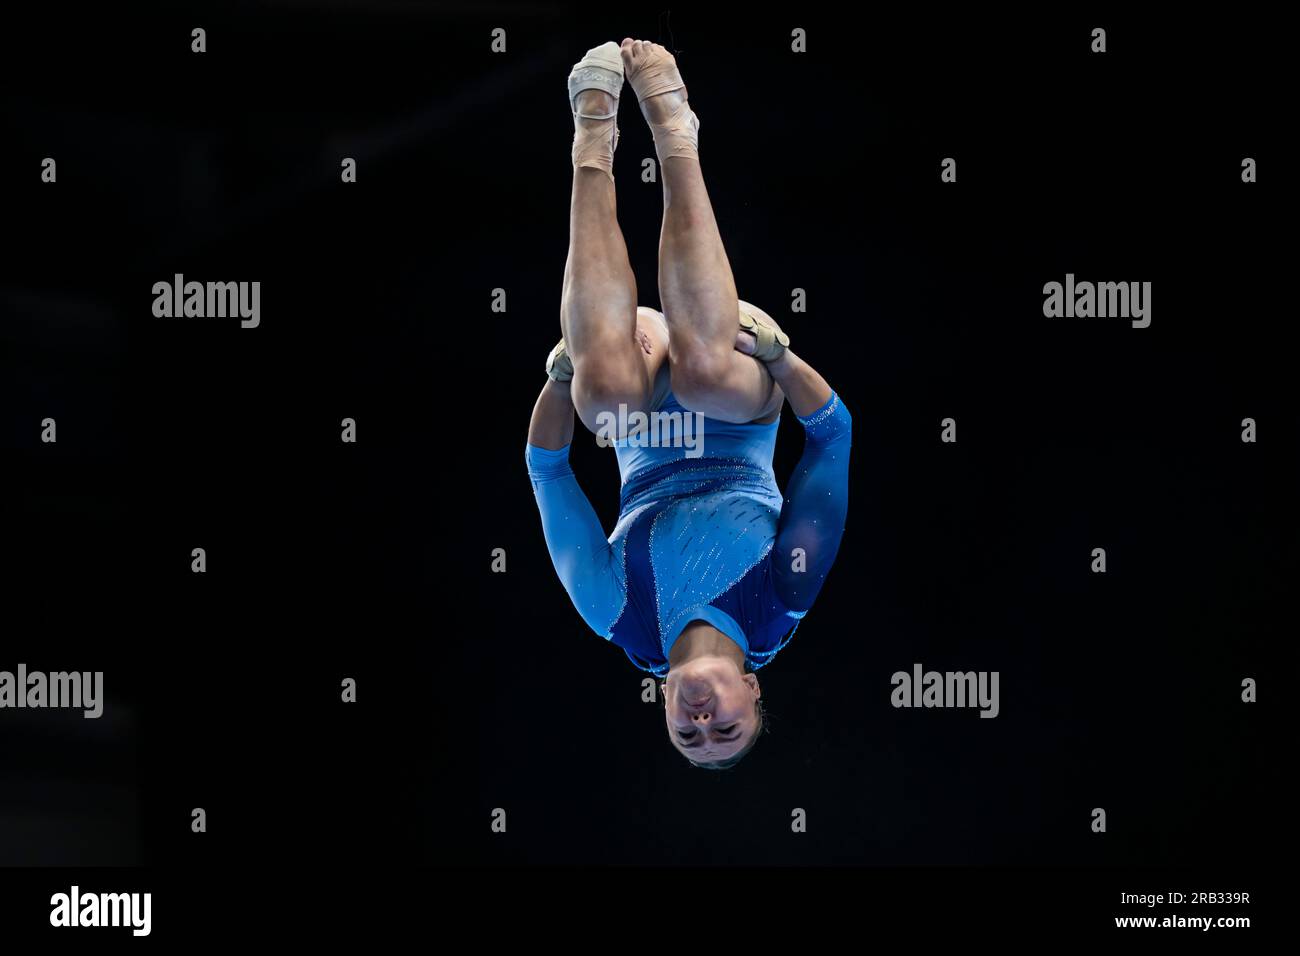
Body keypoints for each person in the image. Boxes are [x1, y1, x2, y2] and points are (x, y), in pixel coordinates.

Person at [526, 39, 852, 768]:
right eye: (725, 730)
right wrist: (779, 355)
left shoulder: (620, 619)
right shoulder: (783, 593)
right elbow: (834, 436)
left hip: (637, 393)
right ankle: (674, 124)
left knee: (602, 398)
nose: (703, 722)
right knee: (704, 373)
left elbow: (547, 471)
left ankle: (593, 131)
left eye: (688, 735)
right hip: (736, 389)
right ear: (754, 691)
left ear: (665, 711)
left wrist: (558, 378)